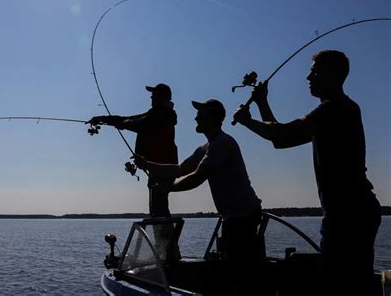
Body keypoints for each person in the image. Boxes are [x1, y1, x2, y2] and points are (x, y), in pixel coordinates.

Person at [233, 50, 382, 295]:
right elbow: (281, 139)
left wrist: (247, 120)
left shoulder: (335, 109)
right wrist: (262, 103)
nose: (308, 76)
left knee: (344, 283)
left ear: (333, 75)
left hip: (348, 214)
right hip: (351, 212)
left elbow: (281, 134)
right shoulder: (336, 111)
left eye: (314, 70)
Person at [135, 99, 263, 295]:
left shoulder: (222, 144)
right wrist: (148, 164)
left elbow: (197, 177)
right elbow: (179, 169)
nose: (196, 117)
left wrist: (167, 189)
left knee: (241, 276)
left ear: (212, 117)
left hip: (243, 218)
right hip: (233, 218)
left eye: (200, 114)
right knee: (235, 272)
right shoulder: (206, 147)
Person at [88, 83, 178, 218]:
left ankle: (165, 238)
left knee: (159, 209)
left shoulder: (163, 114)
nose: (151, 97)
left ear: (162, 97)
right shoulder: (156, 113)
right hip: (157, 167)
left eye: (154, 95)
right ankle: (164, 238)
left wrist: (121, 124)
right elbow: (131, 119)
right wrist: (103, 119)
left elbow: (140, 124)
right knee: (157, 208)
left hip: (163, 168)